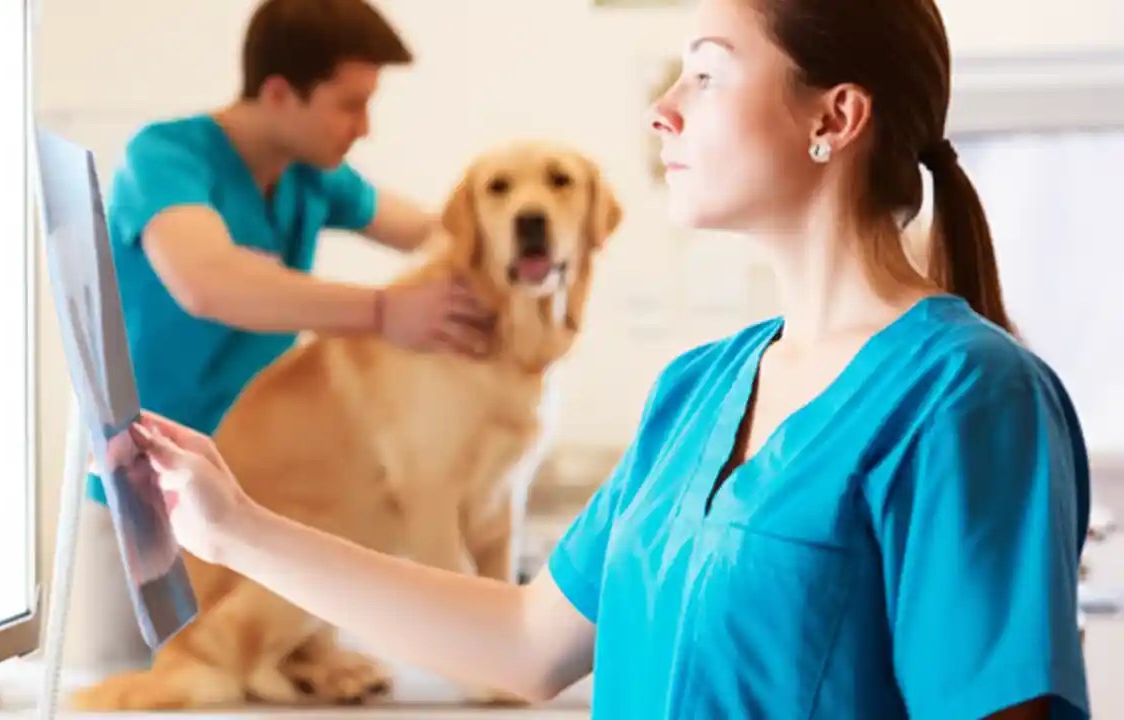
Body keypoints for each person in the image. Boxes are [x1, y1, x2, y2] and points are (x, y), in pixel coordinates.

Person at [123, 0, 1094, 716]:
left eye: (704, 74)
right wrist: (237, 528)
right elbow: (523, 641)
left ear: (832, 119)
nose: (661, 111)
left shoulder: (963, 398)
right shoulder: (695, 389)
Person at [84, 0, 493, 508]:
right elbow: (207, 282)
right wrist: (385, 311)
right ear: (278, 93)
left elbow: (433, 233)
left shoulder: (311, 177)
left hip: (250, 482)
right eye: (349, 104)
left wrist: (520, 221)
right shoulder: (166, 157)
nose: (365, 127)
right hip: (142, 485)